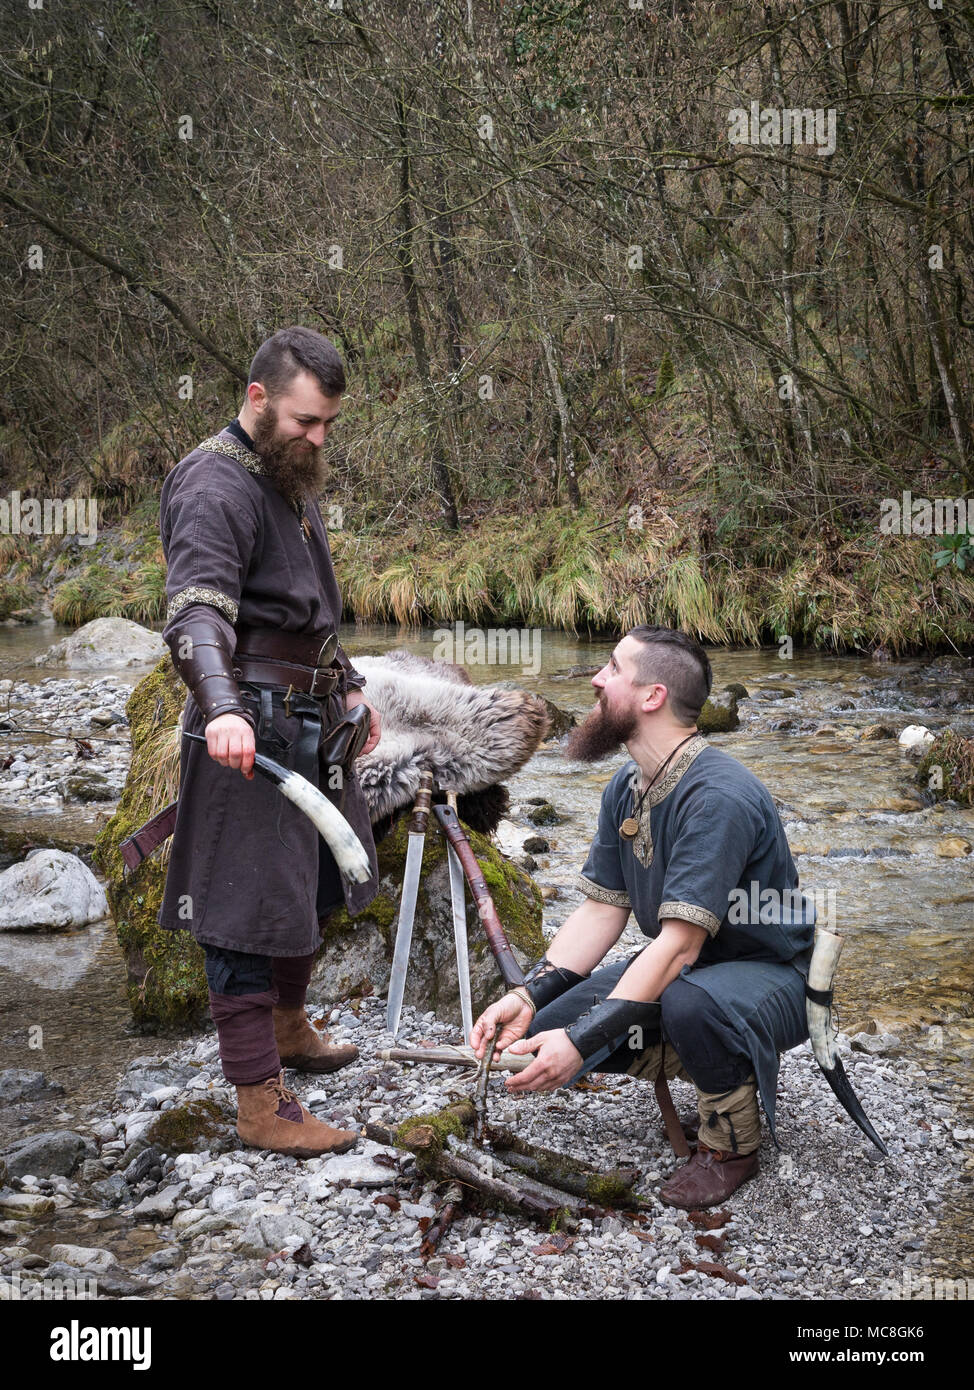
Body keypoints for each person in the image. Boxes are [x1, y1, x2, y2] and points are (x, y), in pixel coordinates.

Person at [471, 626, 815, 1208]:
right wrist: (528, 996)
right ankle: (698, 1059)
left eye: (611, 668)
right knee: (538, 1028)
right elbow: (604, 908)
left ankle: (732, 1142)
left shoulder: (718, 796)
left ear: (652, 696)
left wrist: (584, 1042)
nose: (596, 680)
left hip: (770, 975)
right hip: (689, 969)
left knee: (687, 1002)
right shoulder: (628, 783)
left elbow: (679, 947)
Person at [158, 326, 381, 1157]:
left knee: (313, 883)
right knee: (246, 911)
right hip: (247, 725)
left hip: (310, 718)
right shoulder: (214, 486)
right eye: (304, 421)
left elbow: (311, 610)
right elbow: (195, 611)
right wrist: (220, 707)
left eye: (327, 423)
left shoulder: (287, 476)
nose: (318, 438)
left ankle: (289, 1028)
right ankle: (261, 1107)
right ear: (257, 398)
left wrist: (350, 684)